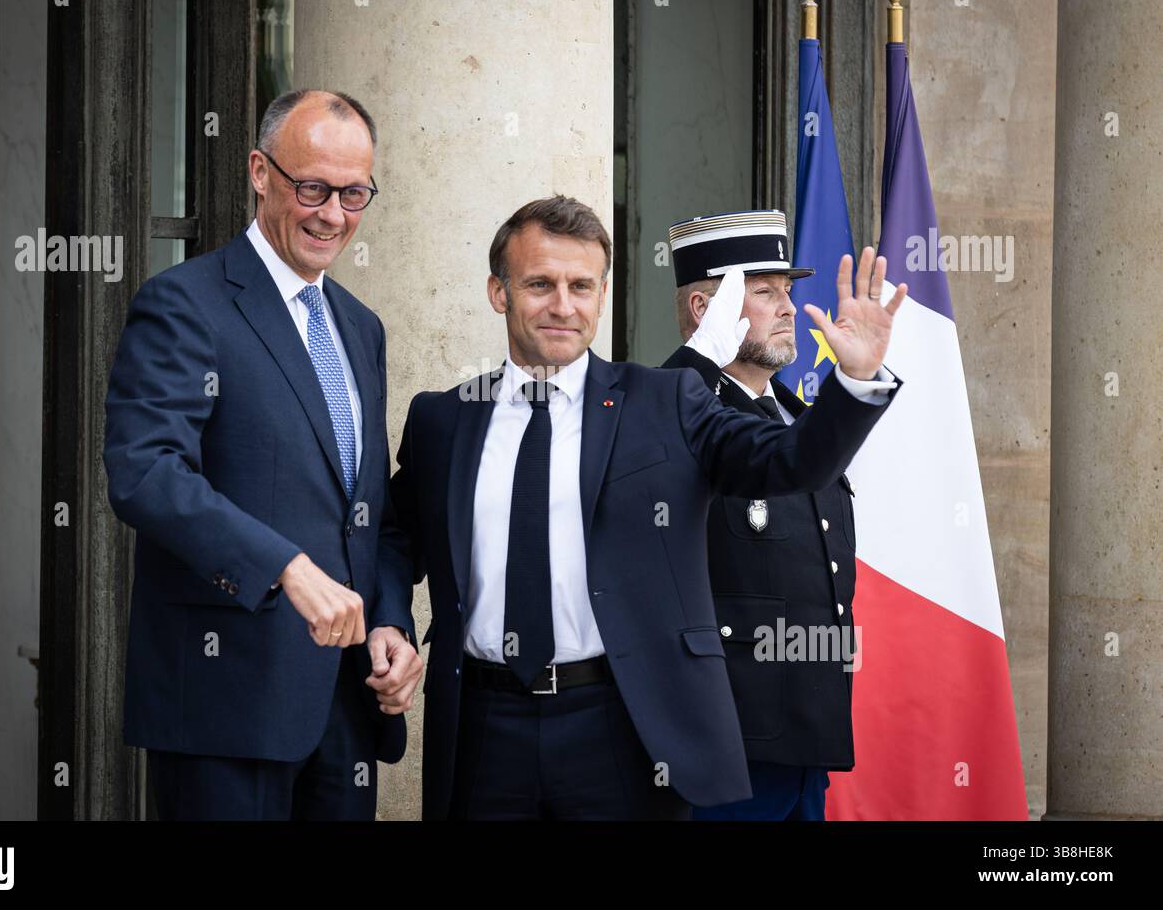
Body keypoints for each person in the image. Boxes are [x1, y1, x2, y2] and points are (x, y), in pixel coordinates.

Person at [384, 195, 906, 819]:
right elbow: (393, 537)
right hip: (481, 724)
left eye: (582, 285)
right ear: (499, 292)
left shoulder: (662, 401)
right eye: (539, 284)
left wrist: (855, 386)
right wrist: (391, 621)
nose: (562, 305)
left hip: (617, 726)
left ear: (603, 295)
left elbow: (788, 461)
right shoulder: (443, 419)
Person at [103, 89, 422, 820]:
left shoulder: (360, 327)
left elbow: (370, 513)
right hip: (226, 706)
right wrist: (285, 566)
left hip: (348, 712)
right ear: (258, 171)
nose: (332, 214)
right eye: (311, 187)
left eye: (353, 194)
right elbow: (145, 472)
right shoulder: (183, 303)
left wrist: (390, 621)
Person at [661, 210, 864, 820]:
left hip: (808, 736)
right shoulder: (674, 413)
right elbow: (644, 438)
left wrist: (857, 379)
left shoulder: (799, 421)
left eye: (789, 291)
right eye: (763, 291)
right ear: (705, 310)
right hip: (729, 744)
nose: (787, 308)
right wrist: (693, 361)